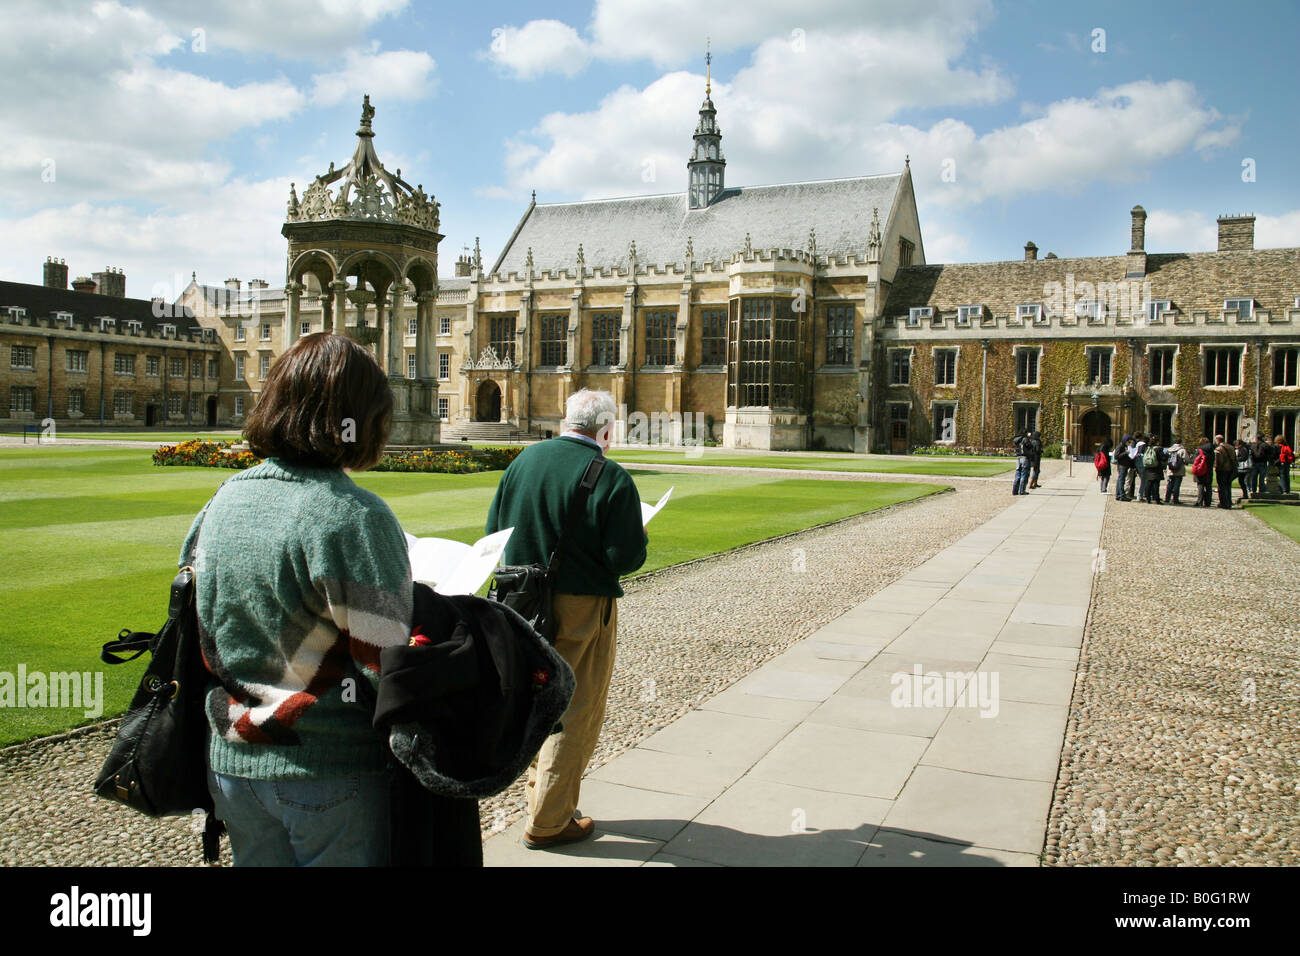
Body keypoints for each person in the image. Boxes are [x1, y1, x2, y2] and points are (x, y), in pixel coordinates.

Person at [184, 333, 413, 866]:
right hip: (327, 769)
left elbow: (199, 620)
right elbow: (385, 662)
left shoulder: (221, 500)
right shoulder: (352, 514)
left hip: (233, 762)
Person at [485, 389, 647, 849]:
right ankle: (550, 820)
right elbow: (625, 557)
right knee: (574, 708)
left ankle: (543, 798)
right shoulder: (610, 476)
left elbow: (494, 533)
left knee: (535, 698)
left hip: (518, 601)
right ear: (607, 430)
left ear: (566, 420)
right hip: (579, 607)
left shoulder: (523, 462)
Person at [1141, 438, 1167, 504]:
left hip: (1148, 468)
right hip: (1156, 468)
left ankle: (1148, 498)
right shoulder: (1158, 449)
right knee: (1155, 484)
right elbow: (1163, 458)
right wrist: (1167, 455)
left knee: (1148, 484)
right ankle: (1156, 499)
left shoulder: (1147, 448)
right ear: (1157, 442)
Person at [1214, 434, 1236, 509]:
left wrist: (1216, 468)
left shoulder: (1219, 449)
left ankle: (1223, 503)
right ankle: (1229, 502)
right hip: (1230, 469)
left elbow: (1219, 461)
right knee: (1228, 486)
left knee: (1221, 486)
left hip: (1222, 469)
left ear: (1217, 440)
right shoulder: (1231, 447)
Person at [1164, 437, 1187, 505]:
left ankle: (1167, 498)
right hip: (1179, 469)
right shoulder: (1182, 450)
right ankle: (1175, 499)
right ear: (1180, 442)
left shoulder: (1169, 449)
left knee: (1170, 484)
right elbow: (1186, 459)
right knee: (1177, 485)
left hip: (1170, 469)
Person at [1114, 434, 1133, 502]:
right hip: (1121, 466)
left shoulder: (1124, 446)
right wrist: (1126, 453)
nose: (1129, 443)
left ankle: (1118, 495)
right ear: (1125, 441)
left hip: (1124, 465)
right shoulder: (1120, 446)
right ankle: (1121, 495)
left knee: (1121, 480)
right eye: (1129, 442)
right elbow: (1116, 456)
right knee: (1121, 481)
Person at [1011, 430, 1030, 495]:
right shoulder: (1025, 439)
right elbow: (1029, 446)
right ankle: (1022, 490)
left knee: (1018, 474)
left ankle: (1015, 490)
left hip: (1018, 457)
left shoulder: (1016, 439)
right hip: (1024, 457)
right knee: (1024, 474)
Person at [1131, 433, 1149, 501]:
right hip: (1142, 464)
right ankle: (1140, 495)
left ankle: (1142, 494)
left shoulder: (1136, 444)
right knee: (1144, 480)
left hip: (1137, 464)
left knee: (1143, 480)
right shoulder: (1144, 445)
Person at [1235, 438, 1252, 504]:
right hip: (1244, 467)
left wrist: (1236, 459)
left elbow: (1244, 458)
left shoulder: (1243, 449)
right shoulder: (1244, 448)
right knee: (1242, 481)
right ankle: (1245, 494)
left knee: (1242, 481)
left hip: (1244, 467)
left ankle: (1245, 494)